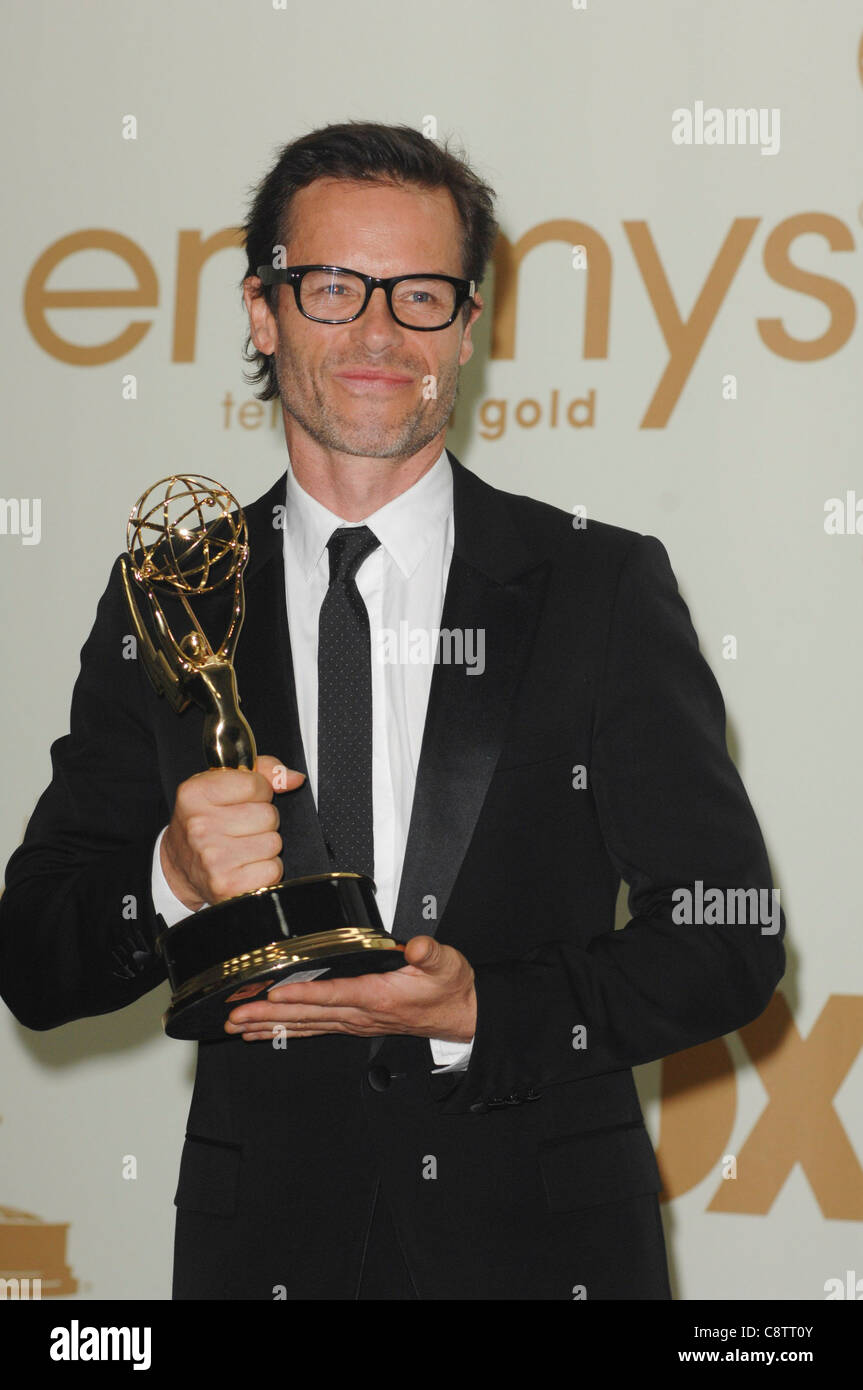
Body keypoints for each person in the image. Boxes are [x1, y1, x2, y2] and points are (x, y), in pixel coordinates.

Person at [0, 121, 785, 1300]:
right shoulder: (167, 591)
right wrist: (166, 872)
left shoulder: (598, 588)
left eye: (419, 293)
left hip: (545, 1258)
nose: (376, 331)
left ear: (468, 327)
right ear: (263, 312)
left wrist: (481, 1008)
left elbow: (728, 941)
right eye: (331, 287)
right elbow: (36, 959)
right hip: (261, 1253)